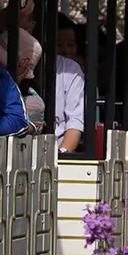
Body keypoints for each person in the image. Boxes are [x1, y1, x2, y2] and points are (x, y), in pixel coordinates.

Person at [50, 14, 87, 153]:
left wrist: (62, 156)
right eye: (58, 44)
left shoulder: (72, 70)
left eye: (71, 45)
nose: (65, 51)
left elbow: (75, 122)